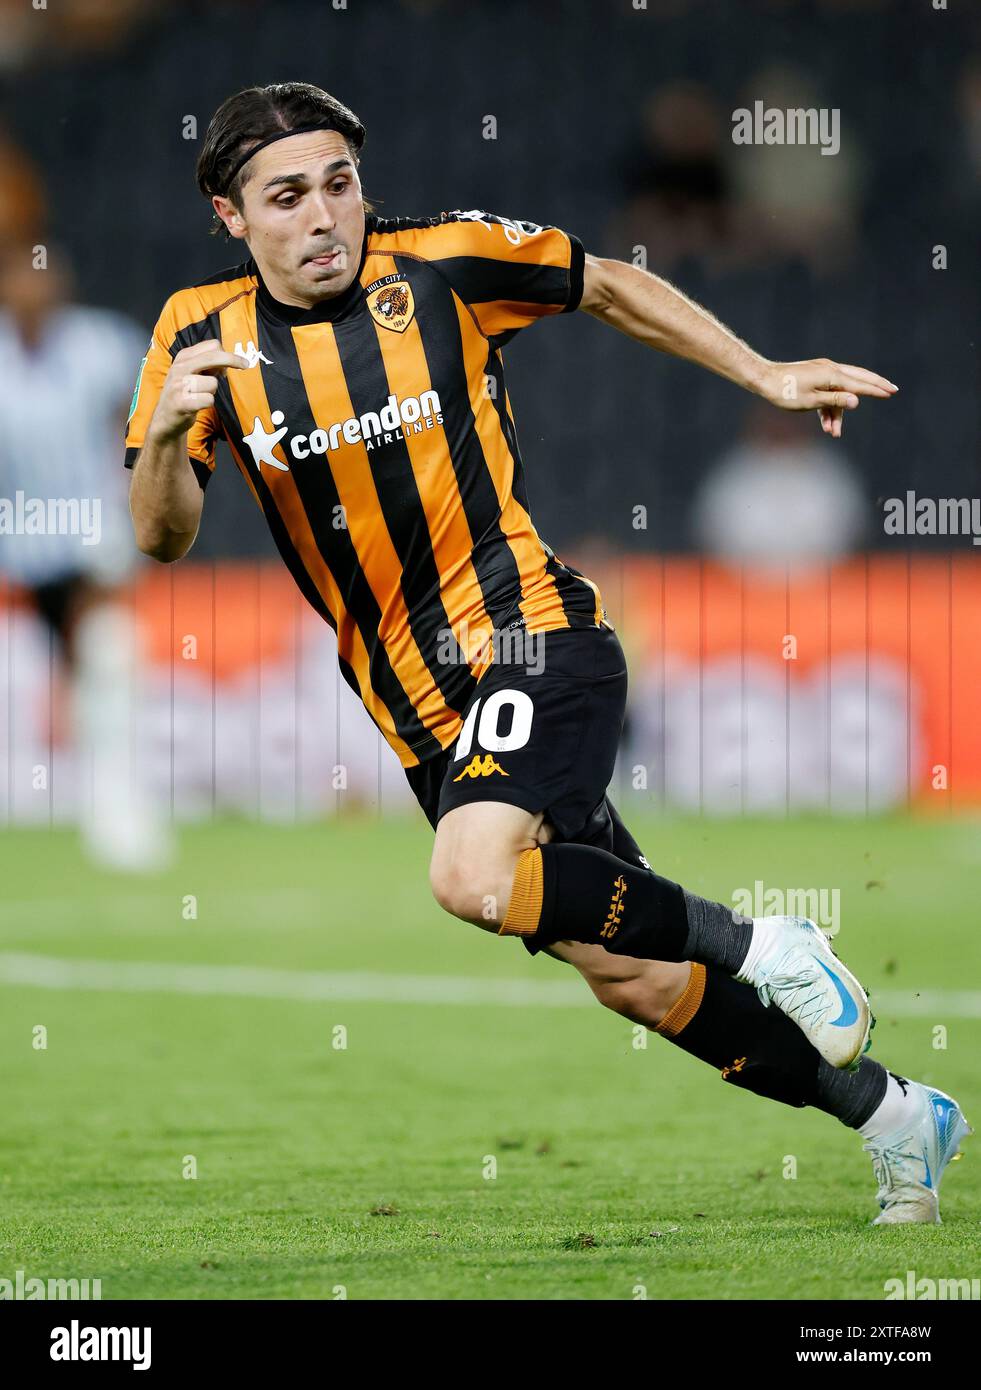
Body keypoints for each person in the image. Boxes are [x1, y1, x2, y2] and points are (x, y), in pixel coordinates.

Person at [124, 82, 968, 1224]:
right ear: (232, 217)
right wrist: (170, 437)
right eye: (288, 196)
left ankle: (772, 938)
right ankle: (896, 1117)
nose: (326, 215)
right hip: (414, 702)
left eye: (340, 182)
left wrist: (766, 373)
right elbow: (160, 536)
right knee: (636, 975)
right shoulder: (193, 335)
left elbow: (610, 285)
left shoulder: (444, 265)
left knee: (470, 879)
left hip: (534, 632)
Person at [0, 243, 171, 870]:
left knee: (111, 656)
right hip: (19, 550)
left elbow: (153, 407)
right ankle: (73, 800)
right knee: (61, 680)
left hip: (91, 535)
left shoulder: (98, 345)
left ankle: (119, 808)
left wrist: (141, 482)